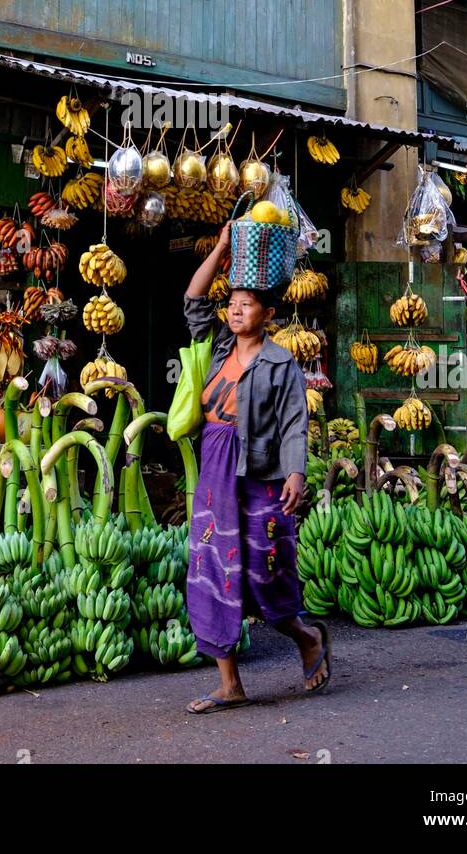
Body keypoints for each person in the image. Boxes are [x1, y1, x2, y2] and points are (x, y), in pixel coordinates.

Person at [183, 221, 330, 714]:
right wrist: (222, 246)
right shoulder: (219, 346)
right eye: (233, 304)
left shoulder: (280, 361)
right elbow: (193, 298)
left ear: (267, 315)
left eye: (246, 305)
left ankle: (306, 637)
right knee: (213, 567)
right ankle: (230, 684)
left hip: (261, 476)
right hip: (215, 471)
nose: (235, 310)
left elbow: (294, 422)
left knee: (264, 573)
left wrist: (296, 472)